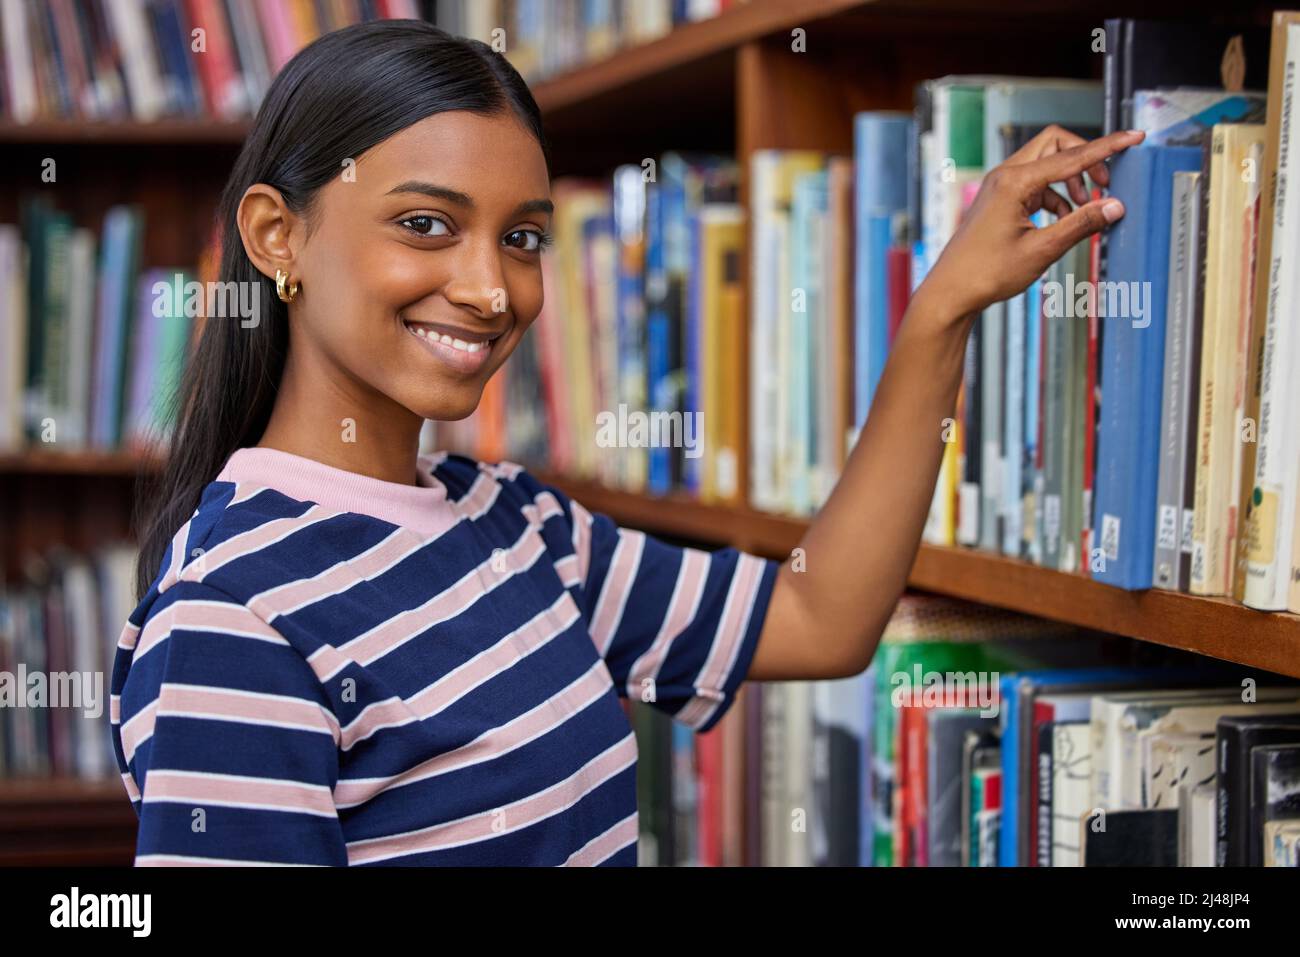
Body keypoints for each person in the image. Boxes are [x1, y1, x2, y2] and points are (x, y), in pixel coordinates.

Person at [111, 18, 1143, 865]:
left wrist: (942, 306)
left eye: (521, 238)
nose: (488, 288)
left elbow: (822, 616)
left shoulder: (514, 522)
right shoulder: (236, 622)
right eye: (425, 224)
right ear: (275, 235)